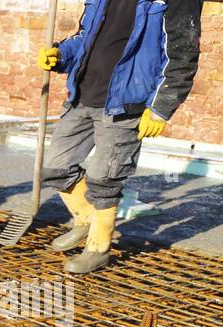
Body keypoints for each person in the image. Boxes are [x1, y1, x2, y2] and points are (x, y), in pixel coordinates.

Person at [39, 0, 203, 274]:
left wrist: (160, 109)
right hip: (83, 96)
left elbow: (182, 55)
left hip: (126, 104)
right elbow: (84, 36)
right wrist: (60, 54)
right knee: (55, 168)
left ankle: (98, 247)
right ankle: (86, 220)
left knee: (104, 179)